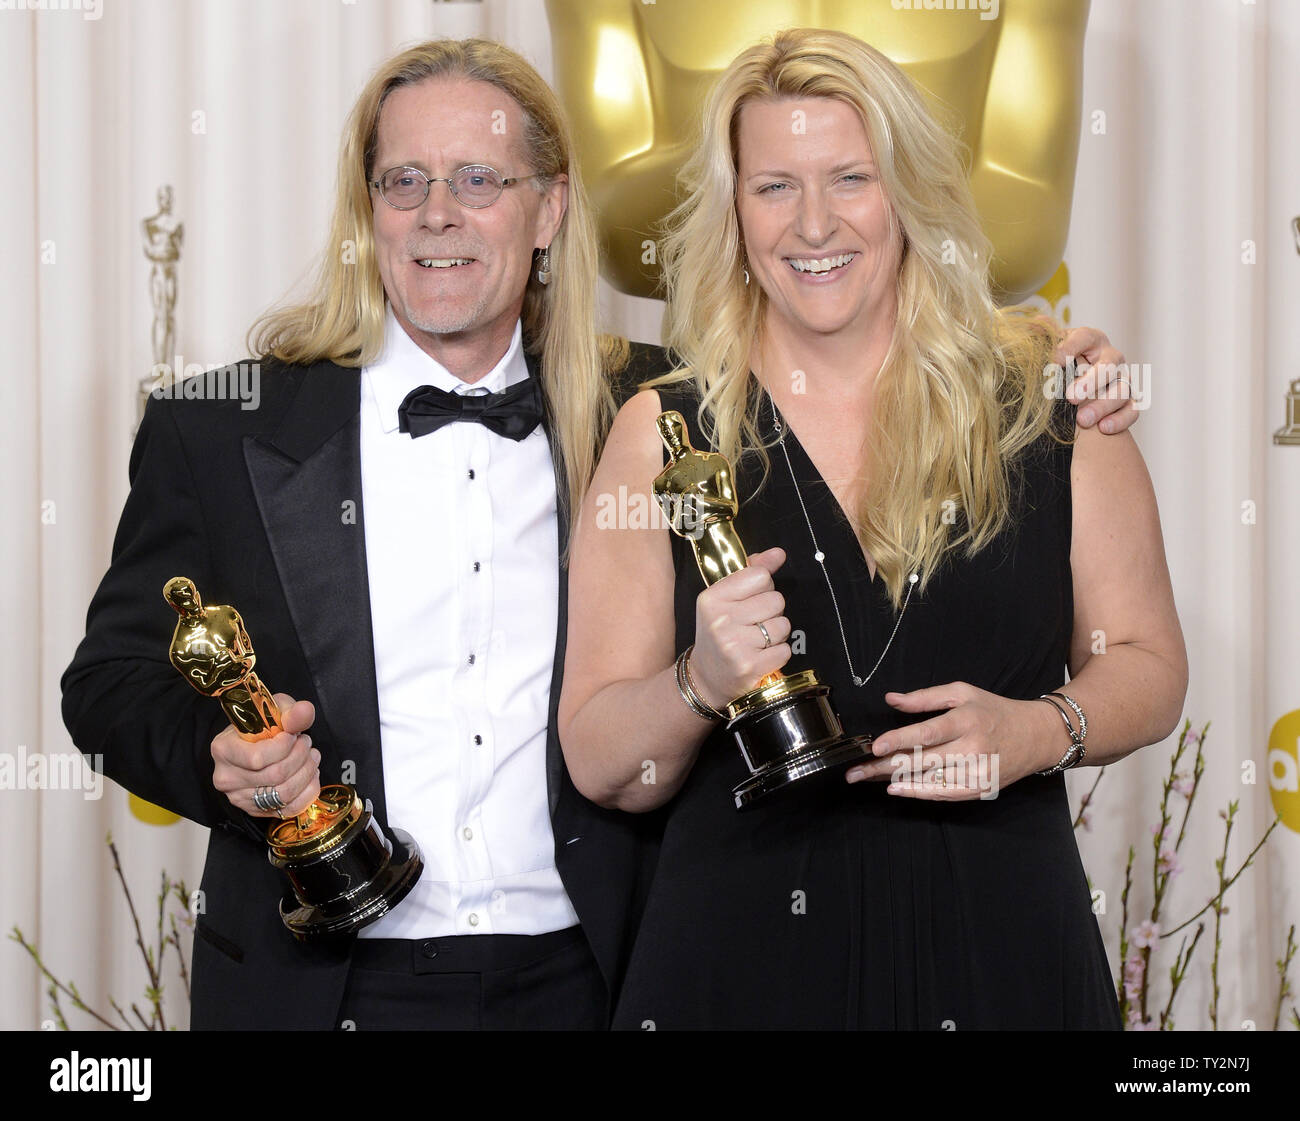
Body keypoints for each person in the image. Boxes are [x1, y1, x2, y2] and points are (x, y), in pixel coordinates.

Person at [558, 28, 1186, 1029]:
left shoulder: (1051, 399)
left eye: (849, 177)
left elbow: (1149, 663)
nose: (813, 224)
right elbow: (601, 761)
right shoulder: (661, 432)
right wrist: (697, 681)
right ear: (732, 211)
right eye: (773, 187)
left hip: (1000, 951)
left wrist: (1037, 729)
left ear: (908, 193)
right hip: (736, 965)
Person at [61, 38, 667, 1031]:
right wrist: (219, 752)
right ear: (367, 209)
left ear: (548, 207)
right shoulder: (218, 427)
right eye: (405, 181)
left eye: (478, 178)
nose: (439, 211)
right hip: (316, 987)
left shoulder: (651, 414)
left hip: (596, 980)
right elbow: (107, 682)